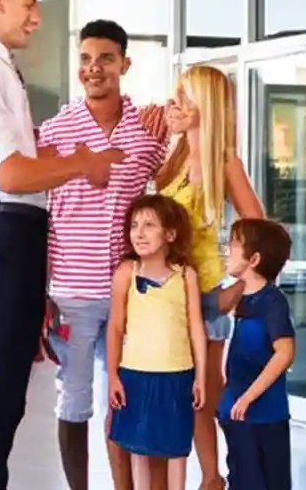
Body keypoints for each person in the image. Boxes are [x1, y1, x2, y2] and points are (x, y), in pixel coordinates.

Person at [0, 0, 126, 490]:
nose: (37, 18)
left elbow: (25, 156)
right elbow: (12, 173)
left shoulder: (1, 67)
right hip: (0, 233)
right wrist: (83, 165)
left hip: (15, 236)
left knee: (7, 392)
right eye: (28, 5)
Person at [36, 19, 168, 490]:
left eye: (106, 59)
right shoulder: (54, 131)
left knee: (126, 398)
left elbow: (166, 191)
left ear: (125, 64)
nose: (94, 69)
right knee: (73, 401)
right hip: (70, 294)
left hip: (128, 294)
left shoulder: (149, 132)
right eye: (86, 59)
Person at [153, 65, 265, 490]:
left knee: (203, 392)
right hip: (165, 294)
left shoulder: (224, 161)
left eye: (184, 97)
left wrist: (237, 285)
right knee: (170, 387)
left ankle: (214, 476)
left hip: (202, 296)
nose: (174, 105)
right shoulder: (175, 156)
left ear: (206, 106)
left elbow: (260, 230)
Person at [106, 193, 207, 490]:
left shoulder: (186, 275)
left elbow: (195, 327)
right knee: (137, 448)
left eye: (149, 225)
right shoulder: (126, 272)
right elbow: (114, 327)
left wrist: (200, 376)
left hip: (177, 374)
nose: (139, 232)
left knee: (176, 446)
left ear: (170, 234)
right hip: (135, 373)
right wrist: (113, 376)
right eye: (135, 224)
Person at [217, 218, 295, 490]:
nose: (228, 249)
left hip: (263, 417)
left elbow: (284, 353)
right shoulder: (241, 300)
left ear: (255, 259)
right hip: (238, 416)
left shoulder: (272, 302)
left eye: (235, 244)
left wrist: (247, 398)